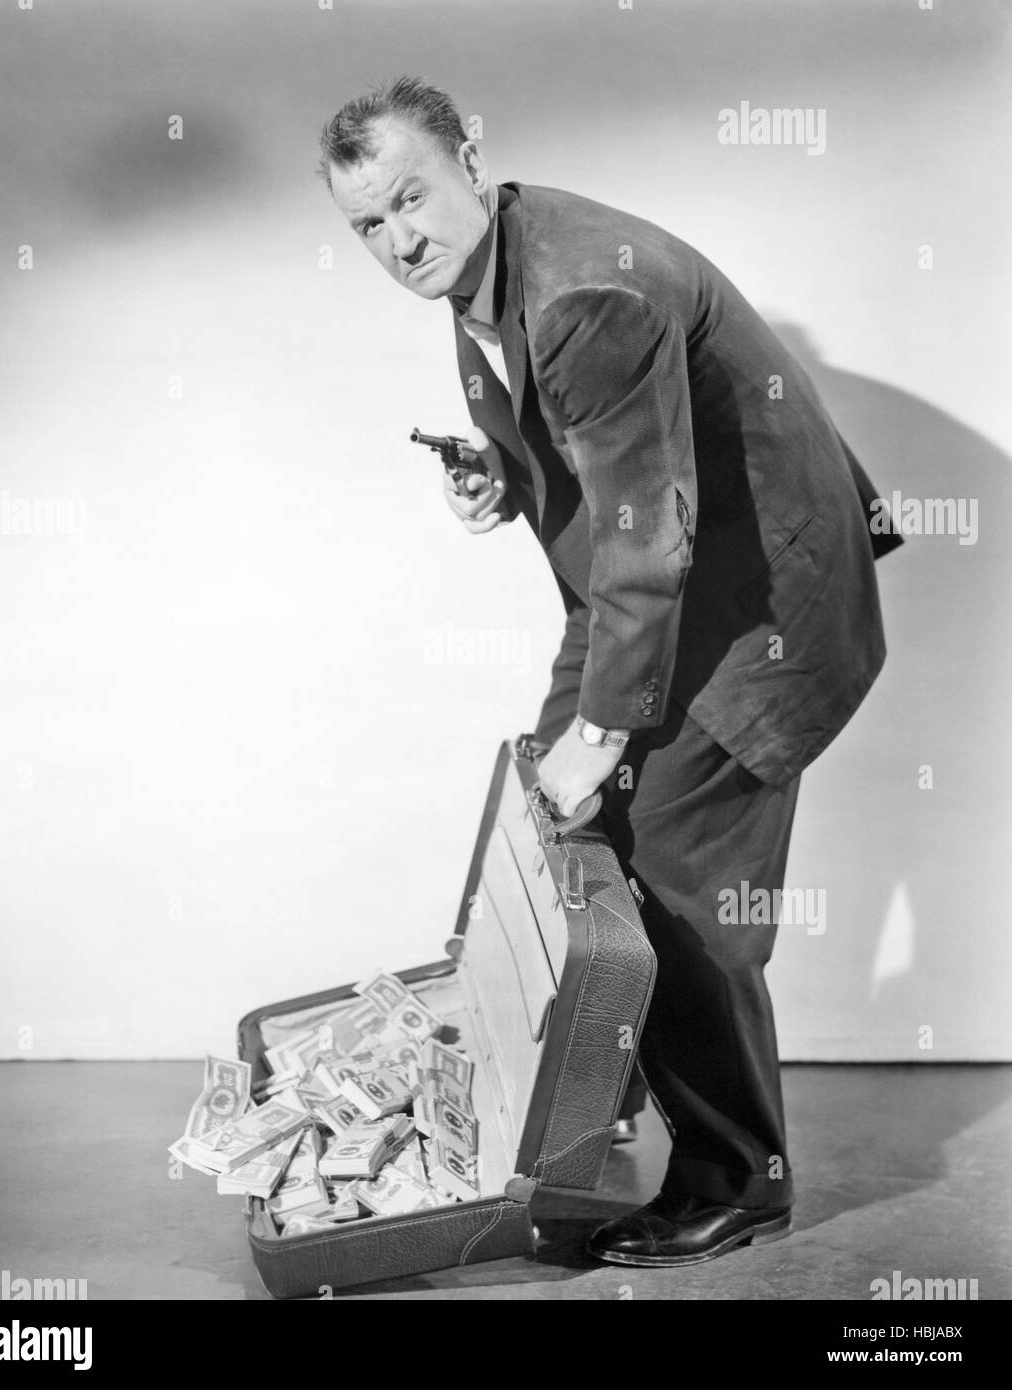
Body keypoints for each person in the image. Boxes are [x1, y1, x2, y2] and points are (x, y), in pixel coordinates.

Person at [318, 77, 901, 1267]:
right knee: (560, 824)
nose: (399, 242)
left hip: (758, 609)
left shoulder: (583, 287)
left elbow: (647, 528)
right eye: (369, 225)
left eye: (412, 200)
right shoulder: (485, 266)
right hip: (656, 587)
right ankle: (610, 1110)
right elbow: (582, 445)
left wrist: (609, 729)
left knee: (675, 876)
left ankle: (739, 1176)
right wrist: (499, 466)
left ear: (471, 158)